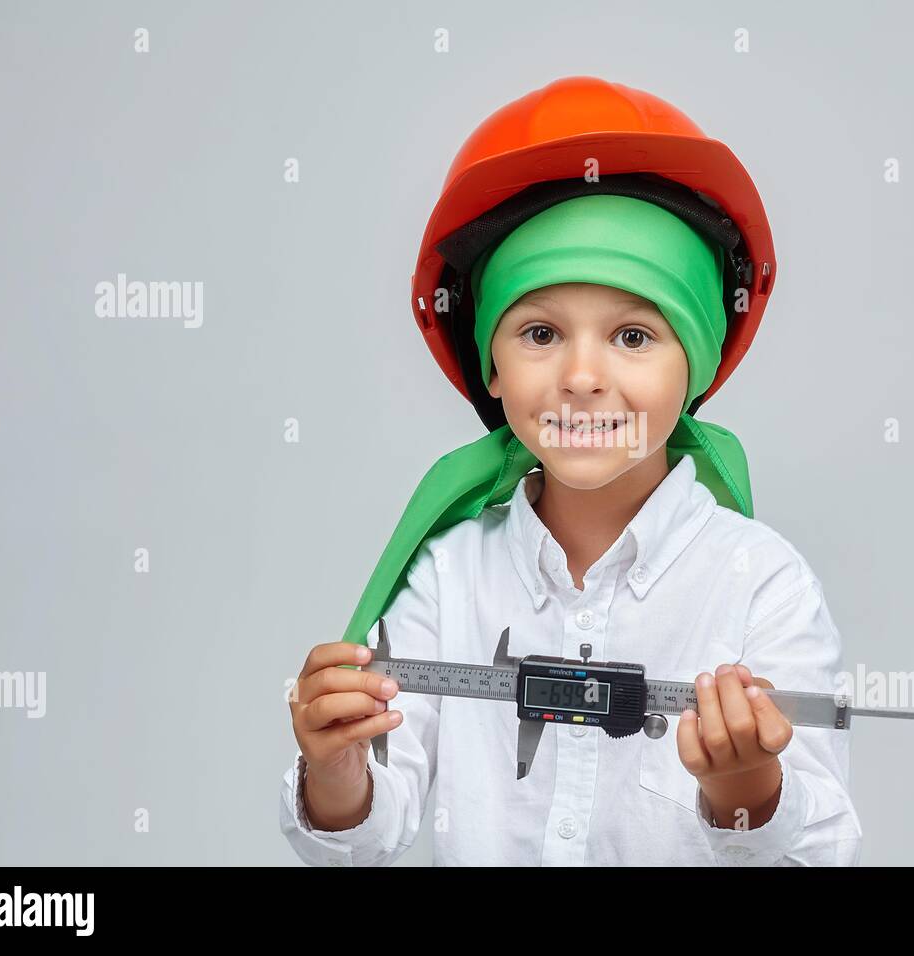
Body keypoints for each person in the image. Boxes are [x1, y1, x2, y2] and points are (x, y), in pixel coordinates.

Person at [280, 76, 863, 866]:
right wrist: (337, 766)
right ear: (489, 363)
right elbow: (362, 841)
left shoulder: (764, 585)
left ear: (695, 364)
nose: (583, 377)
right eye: (540, 332)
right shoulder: (446, 578)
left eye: (632, 337)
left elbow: (820, 853)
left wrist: (749, 790)